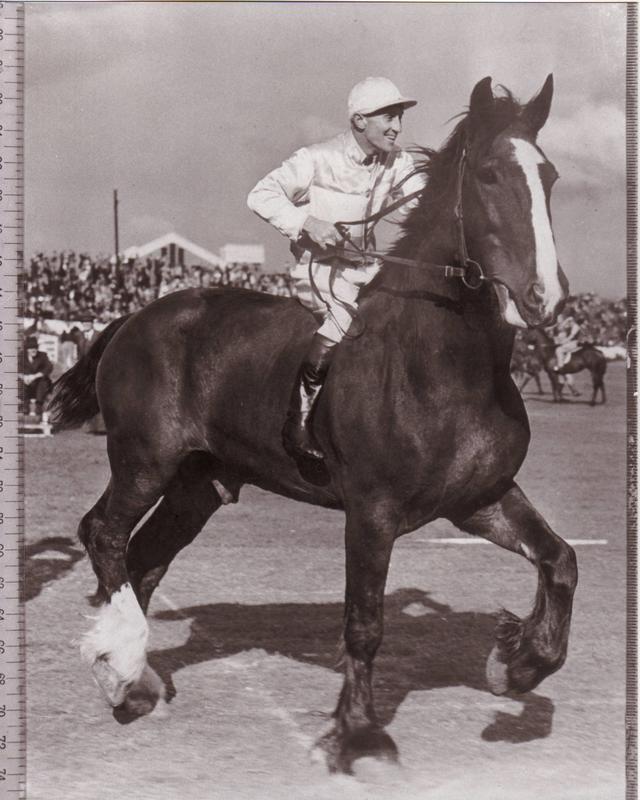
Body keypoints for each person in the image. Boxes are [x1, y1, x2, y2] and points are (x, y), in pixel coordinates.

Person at [247, 76, 424, 461]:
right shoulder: (314, 158)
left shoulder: (398, 162)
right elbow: (260, 195)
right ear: (359, 121)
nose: (397, 126)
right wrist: (307, 223)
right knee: (347, 319)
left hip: (365, 270)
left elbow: (421, 206)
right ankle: (298, 422)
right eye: (388, 117)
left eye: (399, 118)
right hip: (319, 269)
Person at [20, 336, 54, 416]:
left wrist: (35, 376)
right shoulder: (21, 356)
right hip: (26, 383)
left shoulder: (42, 355)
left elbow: (49, 367)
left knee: (43, 381)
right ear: (26, 349)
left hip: (39, 386)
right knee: (19, 383)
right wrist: (23, 377)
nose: (33, 350)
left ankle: (39, 406)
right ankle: (25, 406)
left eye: (35, 347)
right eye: (31, 348)